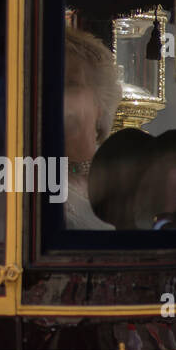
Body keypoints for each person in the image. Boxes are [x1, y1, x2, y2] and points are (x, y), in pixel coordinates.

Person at [62, 27, 120, 230]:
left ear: (100, 103)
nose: (57, 97)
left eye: (71, 84)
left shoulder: (123, 176)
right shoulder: (17, 186)